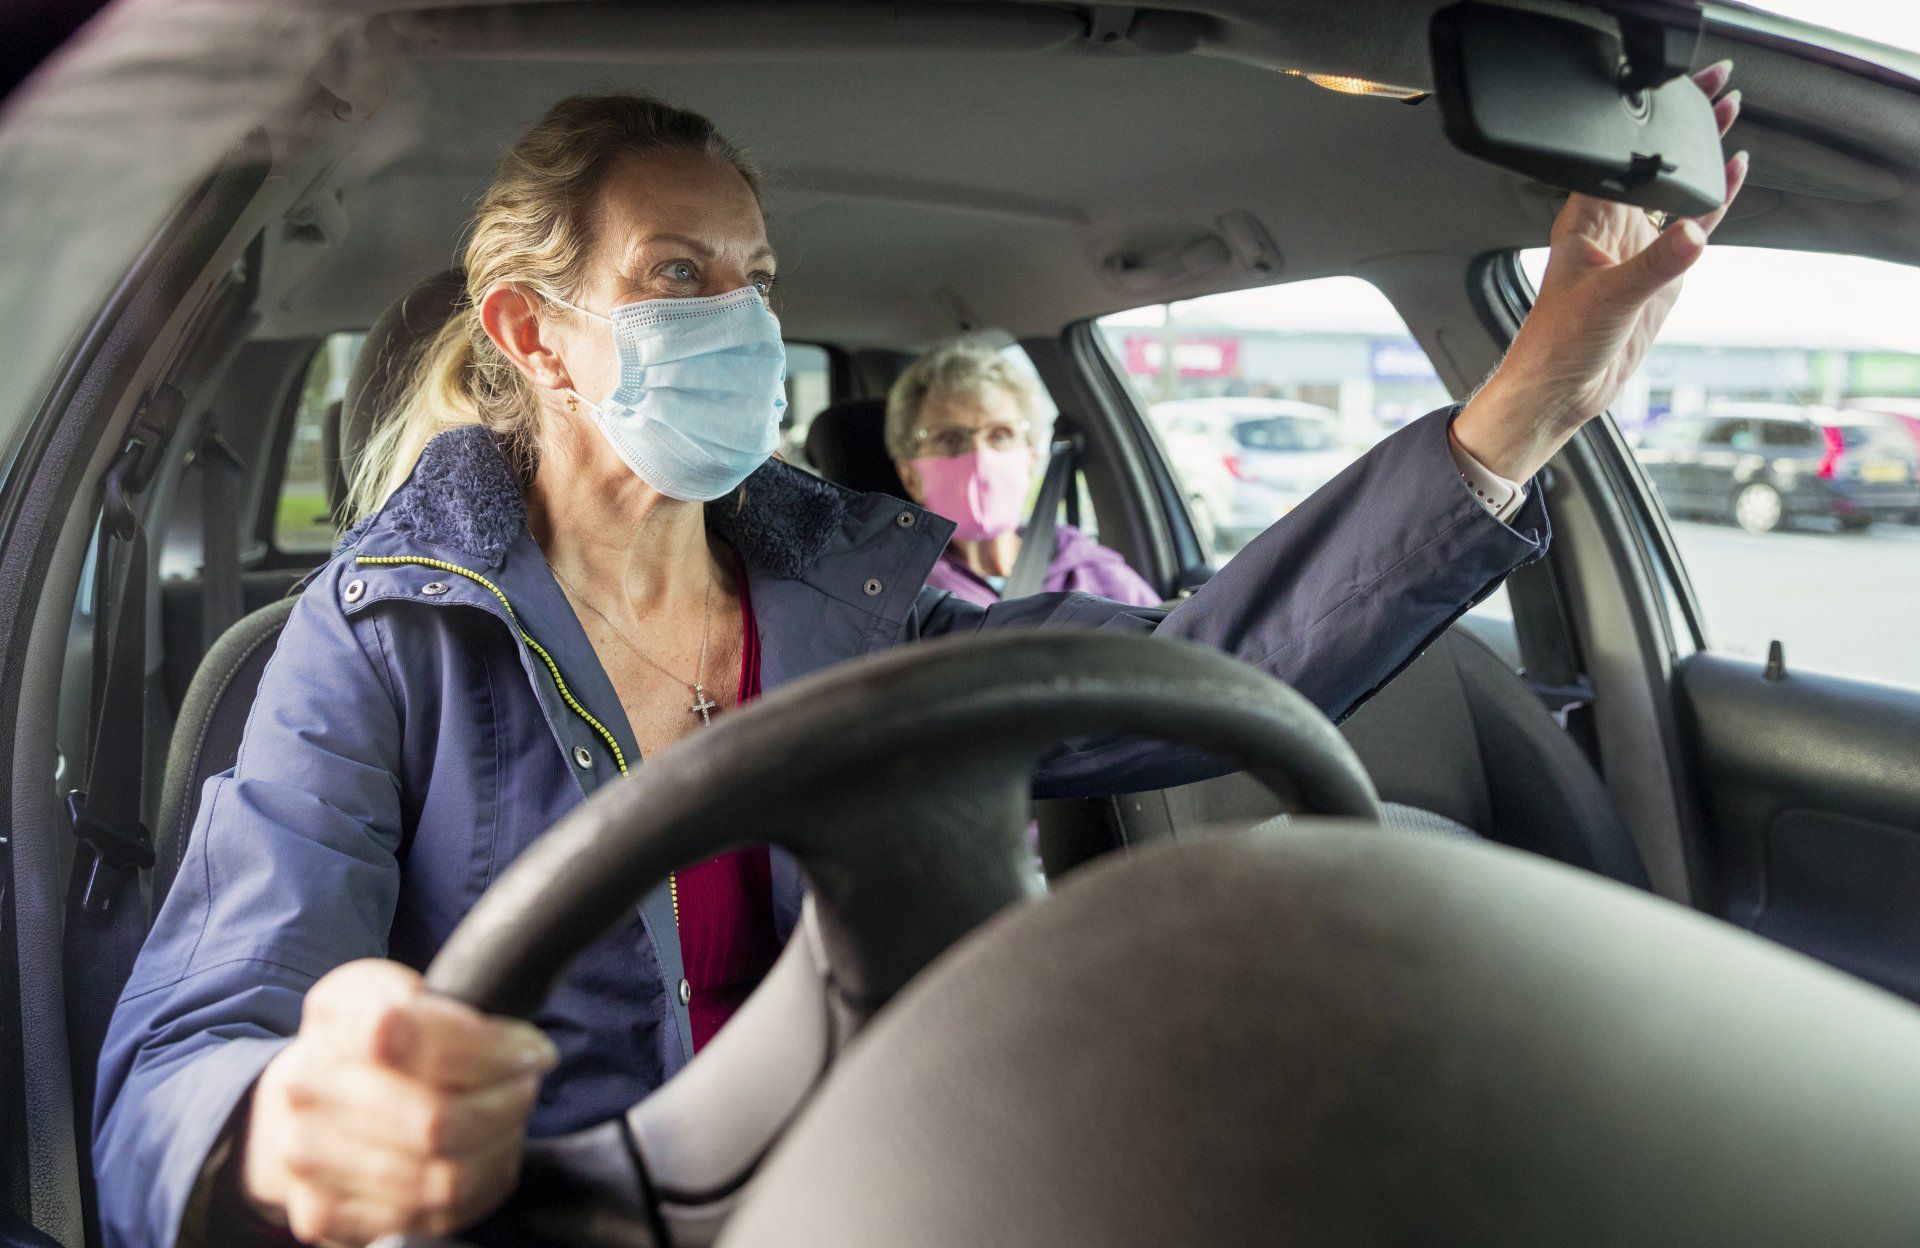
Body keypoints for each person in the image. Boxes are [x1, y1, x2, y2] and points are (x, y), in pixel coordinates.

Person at [95, 72, 1747, 1248]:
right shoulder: (385, 632)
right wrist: (284, 1125)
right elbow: (193, 1042)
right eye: (679, 275)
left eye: (756, 279)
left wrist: (1522, 410)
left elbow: (1203, 667)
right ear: (536, 333)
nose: (742, 320)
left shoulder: (858, 600)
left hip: (870, 1183)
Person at [886, 338, 1161, 608]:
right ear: (910, 477)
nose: (980, 457)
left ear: (1030, 461)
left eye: (1001, 435)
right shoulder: (892, 596)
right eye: (949, 439)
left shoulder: (1095, 574)